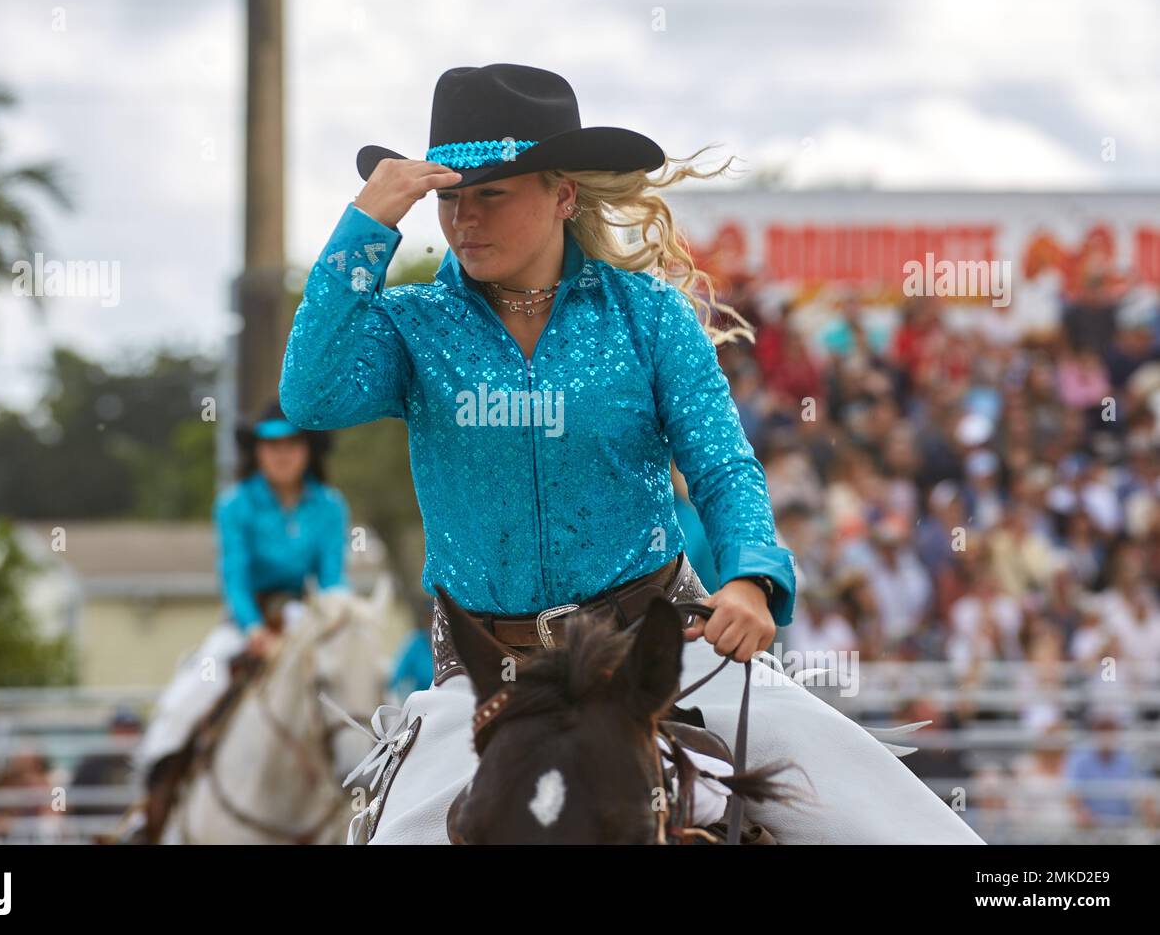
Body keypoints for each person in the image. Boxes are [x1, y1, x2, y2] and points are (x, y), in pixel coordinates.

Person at [280, 63, 981, 844]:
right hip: (484, 680)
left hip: (663, 653)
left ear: (562, 195)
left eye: (490, 194)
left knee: (900, 826)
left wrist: (751, 579)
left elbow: (721, 465)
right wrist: (365, 225)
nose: (463, 220)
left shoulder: (650, 316)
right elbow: (311, 396)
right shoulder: (410, 326)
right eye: (449, 197)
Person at [128, 401, 350, 840]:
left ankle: (369, 809)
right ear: (257, 452)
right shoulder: (236, 504)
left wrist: (326, 628)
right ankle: (150, 810)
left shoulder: (329, 506)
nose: (282, 454)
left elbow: (332, 582)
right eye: (271, 445)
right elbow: (234, 577)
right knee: (183, 703)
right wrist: (254, 631)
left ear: (308, 450)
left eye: (291, 444)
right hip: (243, 628)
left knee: (351, 695)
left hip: (304, 624)